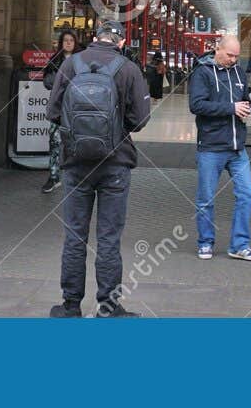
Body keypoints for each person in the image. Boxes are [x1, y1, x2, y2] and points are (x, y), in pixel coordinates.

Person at [46, 19, 152, 317]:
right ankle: (109, 305)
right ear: (120, 41)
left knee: (75, 235)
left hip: (75, 164)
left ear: (94, 38)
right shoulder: (128, 69)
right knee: (108, 237)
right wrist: (115, 131)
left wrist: (78, 135)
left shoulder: (71, 66)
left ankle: (70, 305)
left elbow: (53, 111)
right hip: (115, 165)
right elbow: (141, 119)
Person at [187, 33, 251, 262]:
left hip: (237, 147)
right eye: (230, 55)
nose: (233, 59)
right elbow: (197, 105)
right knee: (206, 198)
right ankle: (205, 242)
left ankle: (239, 245)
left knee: (247, 193)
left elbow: (243, 99)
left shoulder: (239, 72)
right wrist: (231, 108)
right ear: (217, 49)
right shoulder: (202, 72)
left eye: (237, 56)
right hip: (211, 146)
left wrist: (247, 108)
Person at [39, 30, 83, 194]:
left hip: (76, 106)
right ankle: (53, 176)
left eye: (71, 40)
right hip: (58, 106)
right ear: (61, 42)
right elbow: (47, 82)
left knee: (77, 140)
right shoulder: (54, 60)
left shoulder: (81, 60)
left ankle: (76, 176)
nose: (68, 43)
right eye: (65, 40)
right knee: (55, 141)